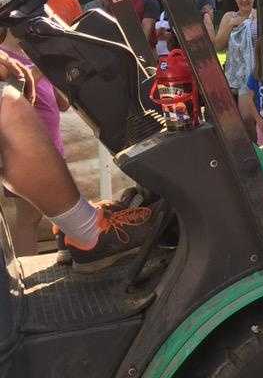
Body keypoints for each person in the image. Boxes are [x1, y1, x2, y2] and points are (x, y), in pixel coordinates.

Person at [0, 49, 155, 270]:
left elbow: (62, 104)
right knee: (7, 104)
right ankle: (87, 233)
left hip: (47, 149)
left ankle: (76, 229)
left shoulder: (22, 57)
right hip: (30, 151)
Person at [1, 24, 69, 256]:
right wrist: (43, 66)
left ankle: (75, 255)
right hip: (25, 151)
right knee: (28, 216)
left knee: (61, 211)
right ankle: (25, 275)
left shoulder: (32, 55)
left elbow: (63, 104)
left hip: (51, 147)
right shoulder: (4, 60)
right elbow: (14, 95)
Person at [214, 0, 258, 94]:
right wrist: (231, 25)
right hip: (235, 74)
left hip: (255, 71)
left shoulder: (259, 15)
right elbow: (218, 46)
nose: (244, 0)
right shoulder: (229, 17)